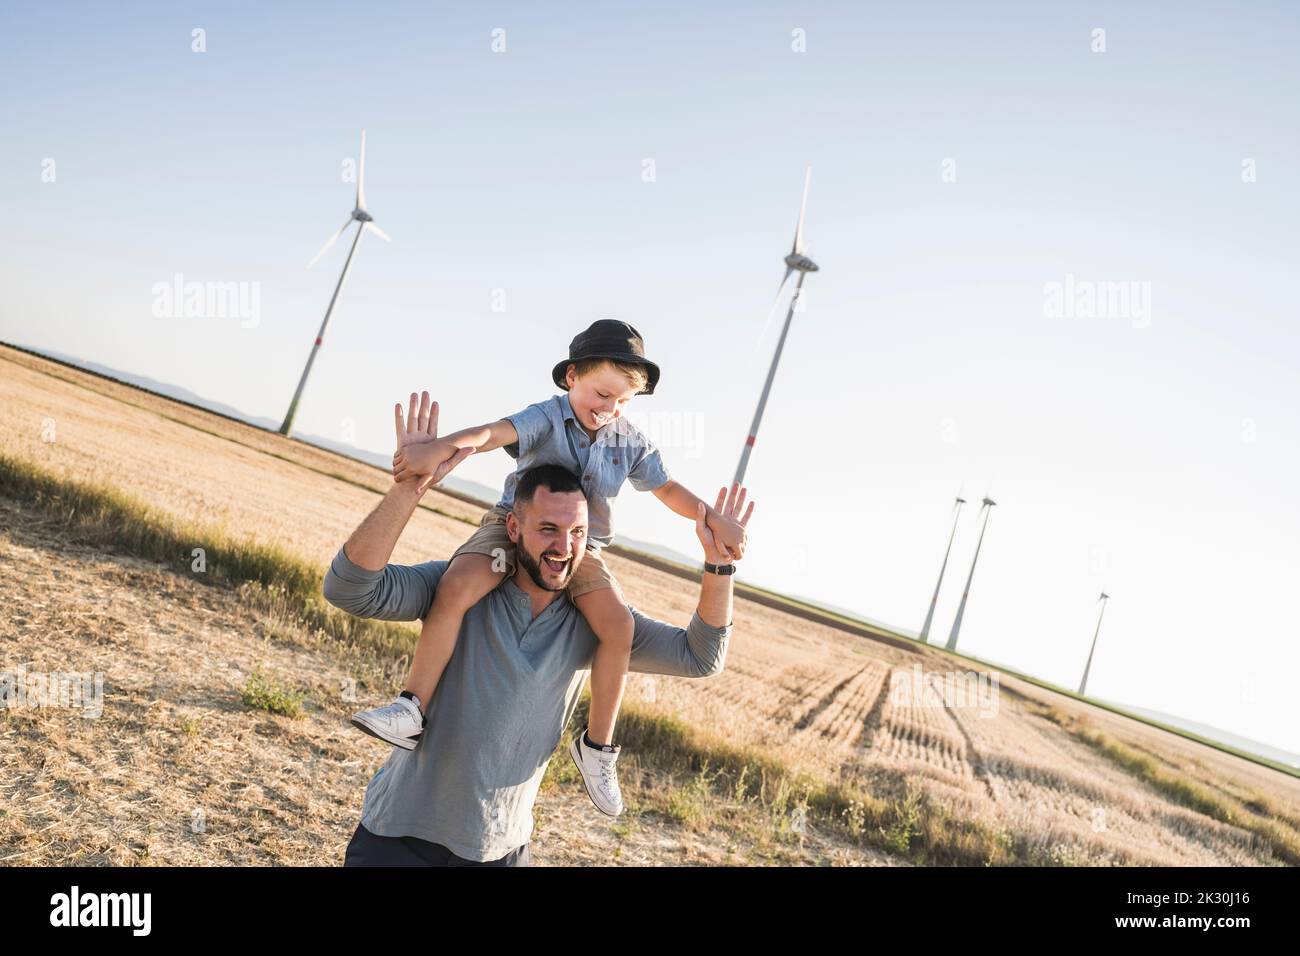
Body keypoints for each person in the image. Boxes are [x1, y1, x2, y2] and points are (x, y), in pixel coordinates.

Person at [349, 320, 748, 818]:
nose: (610, 409)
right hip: (510, 527)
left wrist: (713, 520)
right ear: (571, 376)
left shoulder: (629, 441)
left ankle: (598, 748)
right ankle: (411, 707)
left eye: (623, 402)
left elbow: (666, 489)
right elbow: (491, 433)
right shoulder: (545, 416)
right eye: (602, 393)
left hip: (583, 548)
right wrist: (439, 448)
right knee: (458, 584)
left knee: (618, 626)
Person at [323, 457, 754, 865]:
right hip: (399, 838)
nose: (563, 547)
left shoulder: (596, 623)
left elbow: (700, 658)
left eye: (578, 532)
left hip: (501, 849)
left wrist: (719, 566)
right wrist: (406, 488)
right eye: (548, 528)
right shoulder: (457, 586)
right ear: (512, 526)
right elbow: (350, 590)